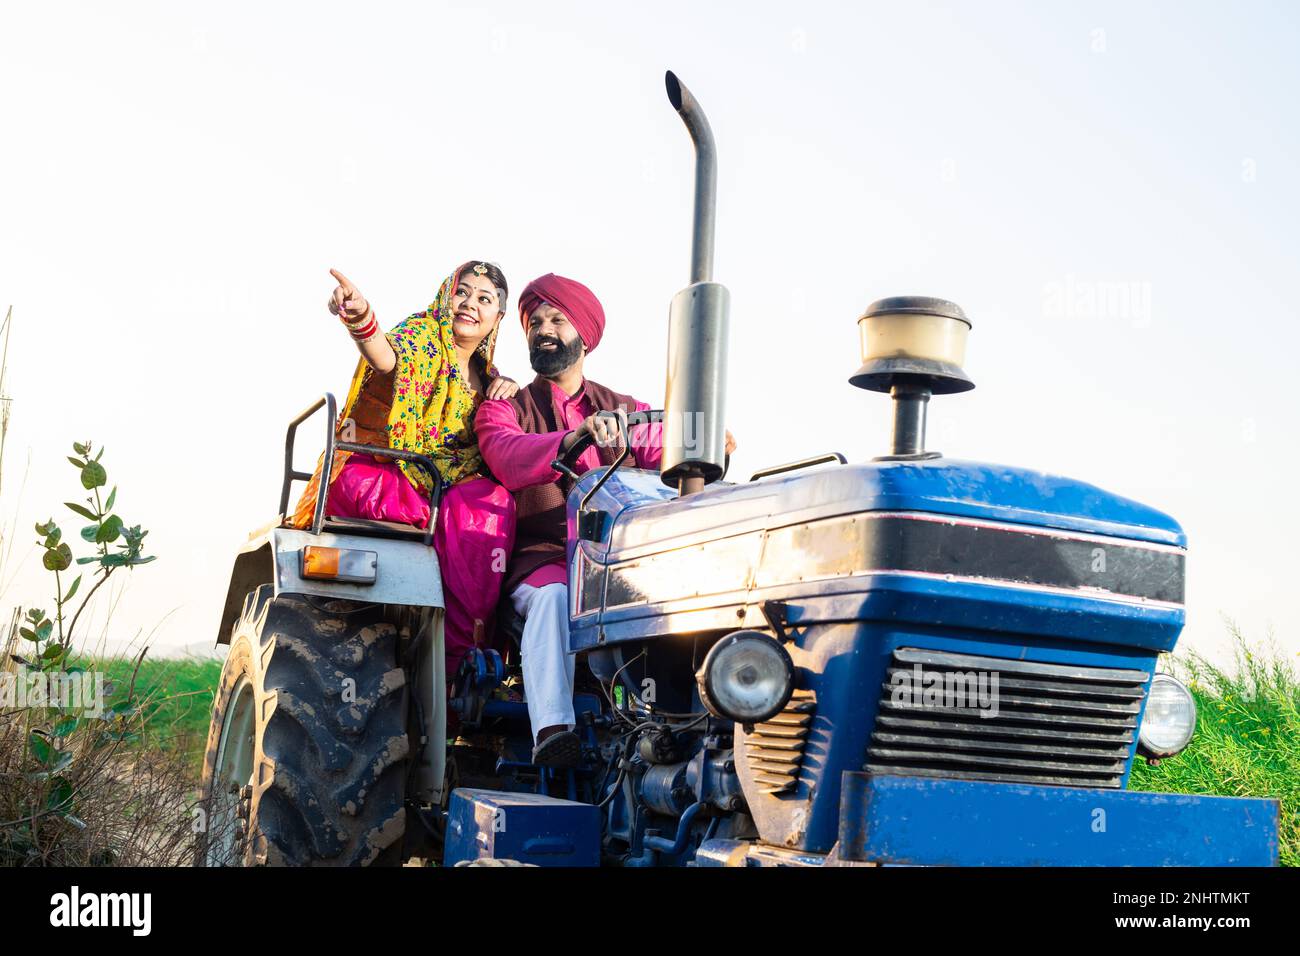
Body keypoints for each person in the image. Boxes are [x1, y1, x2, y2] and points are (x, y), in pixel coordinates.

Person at [475, 272, 736, 766]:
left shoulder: (624, 409)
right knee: (554, 598)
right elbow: (508, 456)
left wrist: (706, 443)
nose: (544, 329)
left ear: (584, 335)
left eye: (557, 319)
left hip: (617, 568)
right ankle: (553, 732)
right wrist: (576, 439)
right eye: (536, 321)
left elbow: (665, 445)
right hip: (545, 562)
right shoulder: (505, 408)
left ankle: (700, 725)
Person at [289, 261, 518, 675]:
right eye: (461, 292)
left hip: (446, 488)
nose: (470, 304)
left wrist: (510, 395)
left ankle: (463, 660)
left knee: (492, 504)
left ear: (498, 317)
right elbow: (387, 356)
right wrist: (360, 317)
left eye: (484, 299)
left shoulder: (493, 382)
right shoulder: (423, 335)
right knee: (441, 511)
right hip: (388, 472)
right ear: (445, 295)